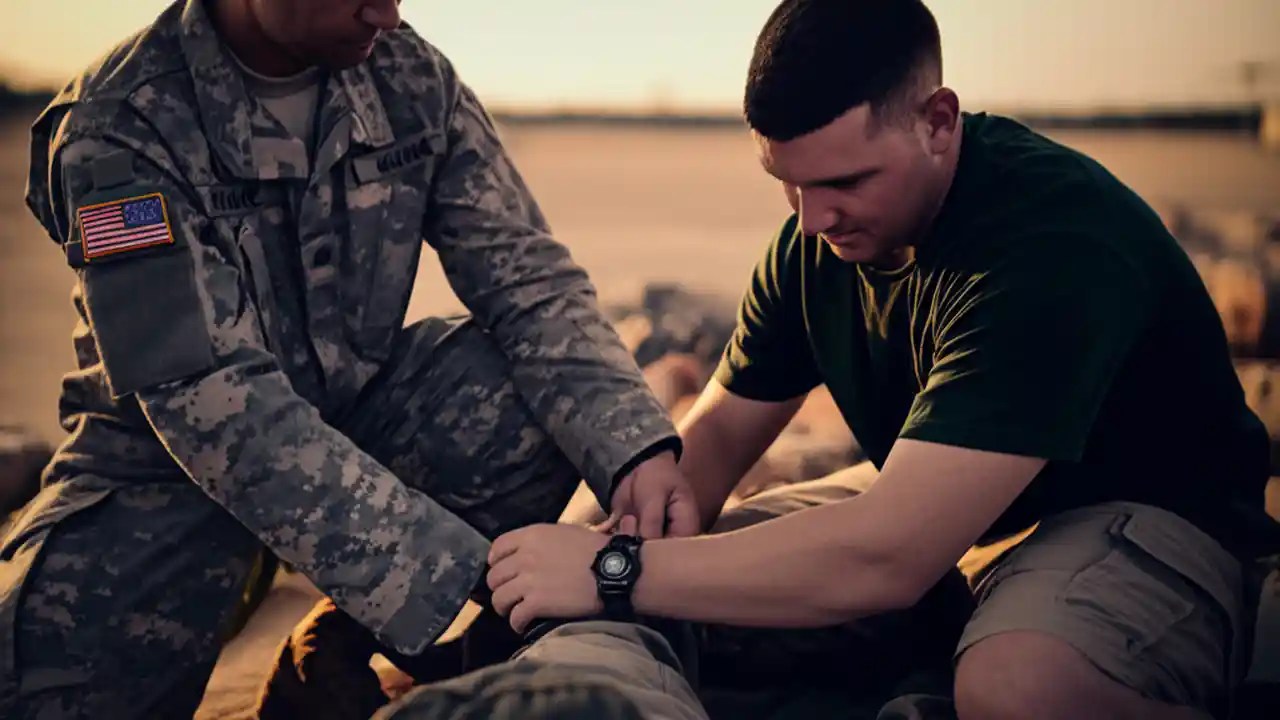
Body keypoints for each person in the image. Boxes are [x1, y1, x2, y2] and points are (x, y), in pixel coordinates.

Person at [487, 1, 1280, 719]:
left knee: (1018, 689)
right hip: (924, 496)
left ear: (938, 121)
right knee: (647, 592)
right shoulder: (817, 236)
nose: (811, 219)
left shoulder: (1051, 242)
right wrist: (613, 536)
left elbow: (889, 554)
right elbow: (719, 439)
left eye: (844, 181)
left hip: (1136, 515)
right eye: (785, 183)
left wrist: (616, 570)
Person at [2, 0, 703, 717]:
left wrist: (636, 451)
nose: (388, 12)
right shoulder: (122, 120)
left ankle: (345, 651)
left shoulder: (406, 73)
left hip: (358, 421)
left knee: (525, 403)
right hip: (160, 477)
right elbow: (206, 402)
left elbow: (528, 281)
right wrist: (469, 581)